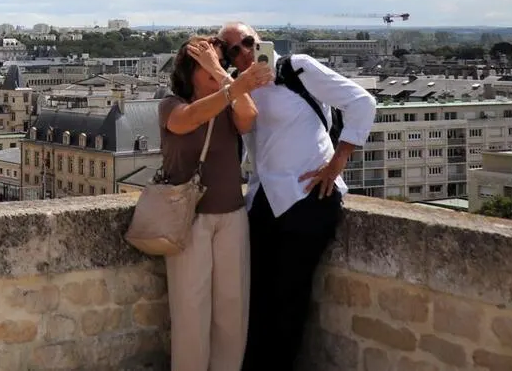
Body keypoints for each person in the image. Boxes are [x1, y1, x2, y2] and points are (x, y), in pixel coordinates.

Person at [216, 22, 377, 371]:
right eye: (233, 50)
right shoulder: (241, 88)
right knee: (257, 297)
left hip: (307, 198)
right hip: (265, 200)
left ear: (260, 40)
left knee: (288, 297)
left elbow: (362, 102)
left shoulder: (297, 68)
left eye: (248, 42)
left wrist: (336, 163)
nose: (244, 52)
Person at [159, 36, 274, 371]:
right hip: (188, 220)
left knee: (232, 310)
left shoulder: (230, 103)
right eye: (207, 64)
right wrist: (231, 85)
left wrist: (220, 73)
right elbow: (189, 119)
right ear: (189, 71)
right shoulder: (171, 104)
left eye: (220, 63)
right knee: (190, 312)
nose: (217, 68)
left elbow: (248, 116)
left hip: (231, 216)